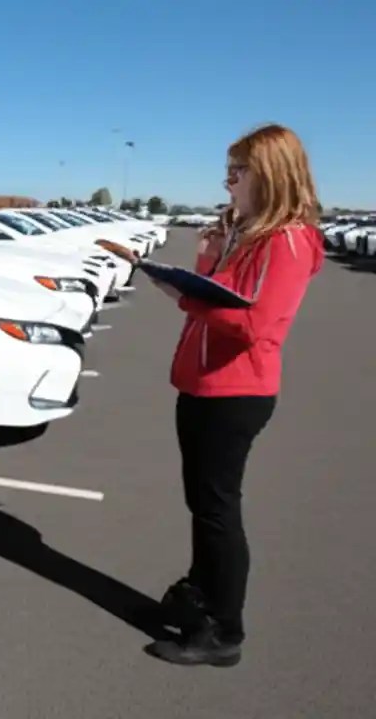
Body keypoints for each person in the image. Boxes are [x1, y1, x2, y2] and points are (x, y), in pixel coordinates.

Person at [144, 124, 325, 667]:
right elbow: (222, 296)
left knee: (219, 510)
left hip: (234, 393)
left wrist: (185, 296)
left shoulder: (288, 240)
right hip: (203, 387)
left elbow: (256, 325)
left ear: (268, 175)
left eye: (237, 172)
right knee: (203, 504)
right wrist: (207, 259)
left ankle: (225, 631)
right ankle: (201, 594)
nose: (228, 184)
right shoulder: (251, 234)